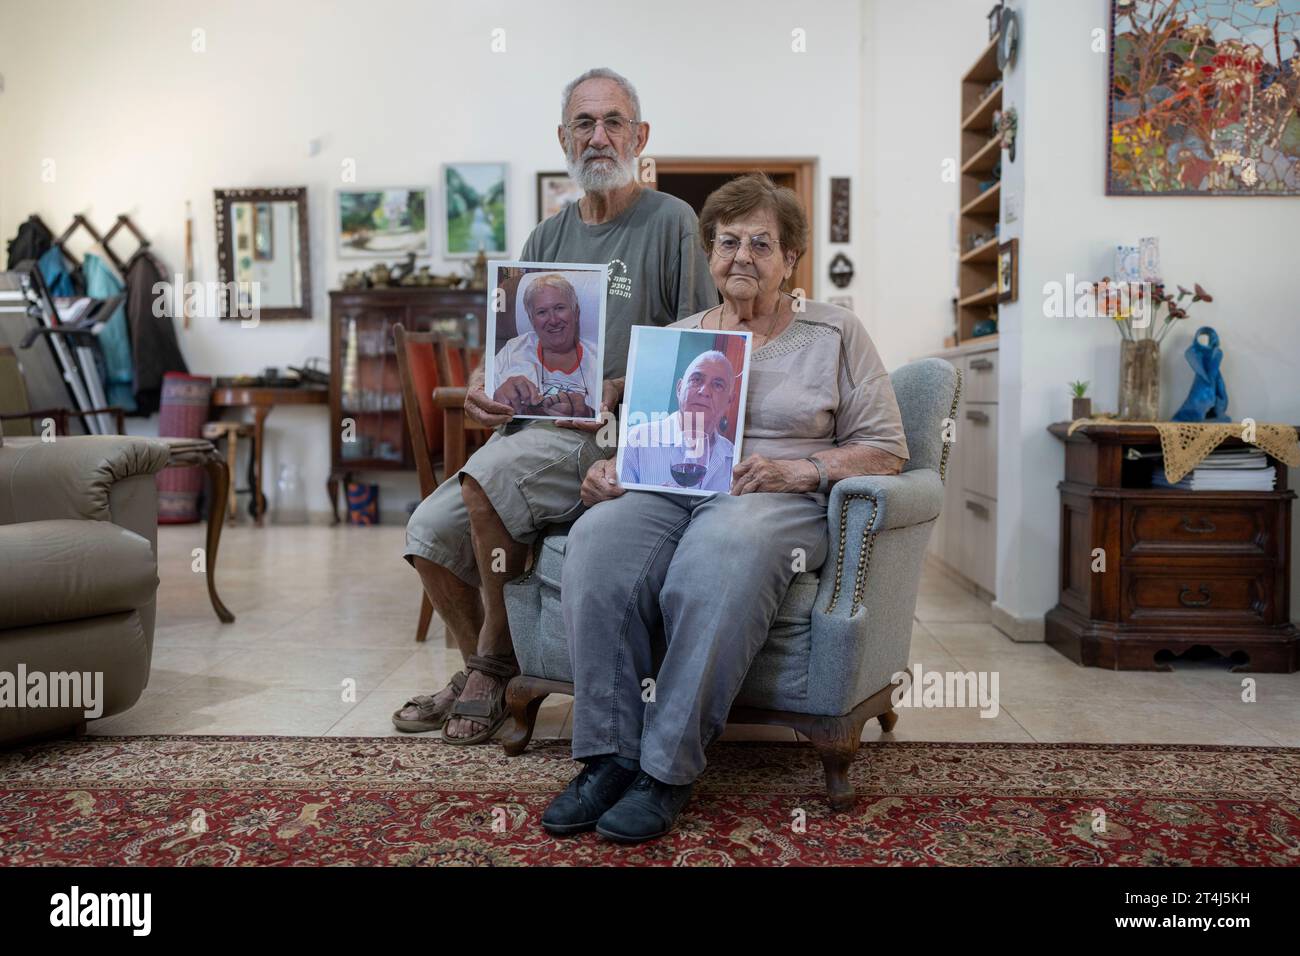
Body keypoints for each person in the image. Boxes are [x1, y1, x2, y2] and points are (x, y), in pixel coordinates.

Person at [543, 173, 909, 842]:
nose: (742, 256)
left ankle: (666, 770)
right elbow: (644, 439)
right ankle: (610, 757)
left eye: (761, 244)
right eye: (728, 241)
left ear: (790, 258)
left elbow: (887, 448)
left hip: (773, 495)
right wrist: (609, 470)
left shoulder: (835, 331)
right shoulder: (679, 337)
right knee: (597, 542)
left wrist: (802, 469)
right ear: (710, 252)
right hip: (671, 489)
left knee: (719, 553)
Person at [395, 67, 718, 743]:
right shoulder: (545, 238)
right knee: (426, 531)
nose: (598, 136)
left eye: (613, 122)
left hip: (613, 432)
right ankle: (489, 671)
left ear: (640, 136)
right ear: (563, 137)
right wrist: (485, 382)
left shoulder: (673, 223)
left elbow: (700, 346)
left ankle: (488, 670)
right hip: (535, 428)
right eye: (584, 123)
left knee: (488, 475)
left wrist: (620, 386)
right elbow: (508, 350)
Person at [620, 349, 736, 493]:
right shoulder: (635, 439)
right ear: (679, 388)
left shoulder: (733, 457)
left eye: (718, 385)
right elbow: (619, 502)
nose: (704, 391)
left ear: (729, 401)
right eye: (696, 380)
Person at [492, 272, 599, 419]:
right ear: (531, 319)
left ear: (576, 313)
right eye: (542, 312)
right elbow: (485, 399)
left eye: (559, 308)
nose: (553, 320)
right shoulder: (513, 350)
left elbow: (609, 416)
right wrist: (498, 397)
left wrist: (588, 413)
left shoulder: (597, 357)